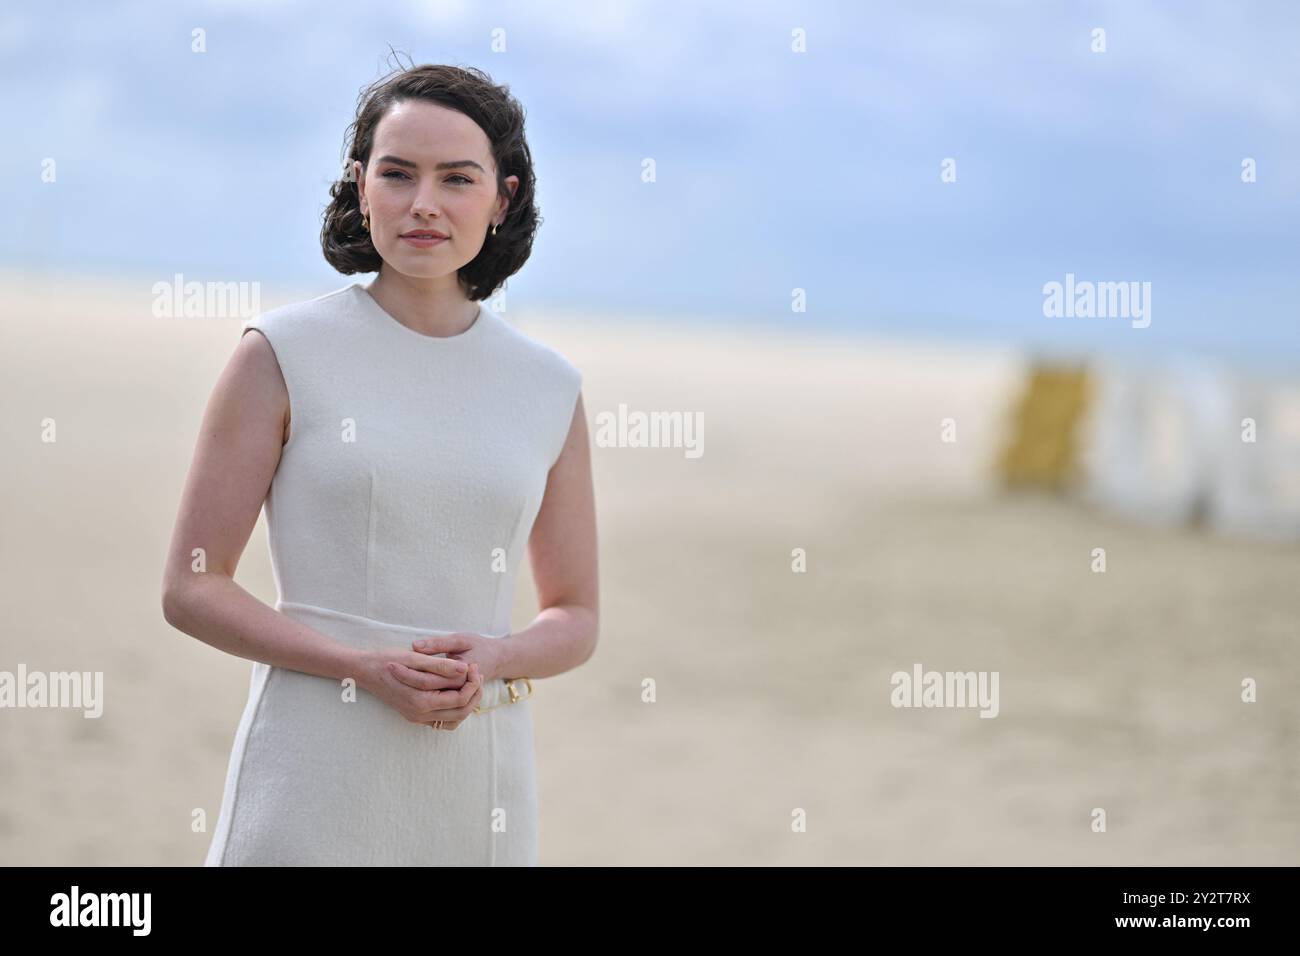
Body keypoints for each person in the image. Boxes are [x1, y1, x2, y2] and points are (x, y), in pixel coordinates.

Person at [161, 62, 599, 866]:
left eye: (456, 178)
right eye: (398, 174)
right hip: (311, 768)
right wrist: (359, 666)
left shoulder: (548, 387)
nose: (423, 202)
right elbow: (192, 586)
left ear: (501, 199)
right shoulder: (281, 354)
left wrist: (498, 657)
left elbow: (576, 615)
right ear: (361, 187)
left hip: (478, 780)